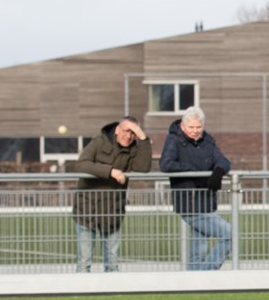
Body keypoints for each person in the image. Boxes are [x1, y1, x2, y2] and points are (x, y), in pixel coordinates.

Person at [72, 116, 151, 272]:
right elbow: (81, 165)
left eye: (133, 133)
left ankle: (112, 293)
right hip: (87, 210)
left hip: (112, 211)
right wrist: (110, 172)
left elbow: (143, 167)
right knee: (84, 263)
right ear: (117, 129)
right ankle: (81, 294)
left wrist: (143, 138)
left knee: (112, 265)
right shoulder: (99, 142)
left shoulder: (135, 148)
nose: (129, 136)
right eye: (127, 131)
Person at [160, 106, 232, 270]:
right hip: (189, 203)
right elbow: (166, 164)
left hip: (207, 202)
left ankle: (194, 278)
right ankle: (206, 272)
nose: (195, 131)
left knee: (198, 252)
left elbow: (223, 160)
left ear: (203, 126)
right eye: (191, 127)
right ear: (183, 126)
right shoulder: (174, 140)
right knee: (231, 235)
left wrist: (219, 171)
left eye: (198, 127)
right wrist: (194, 172)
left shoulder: (208, 140)